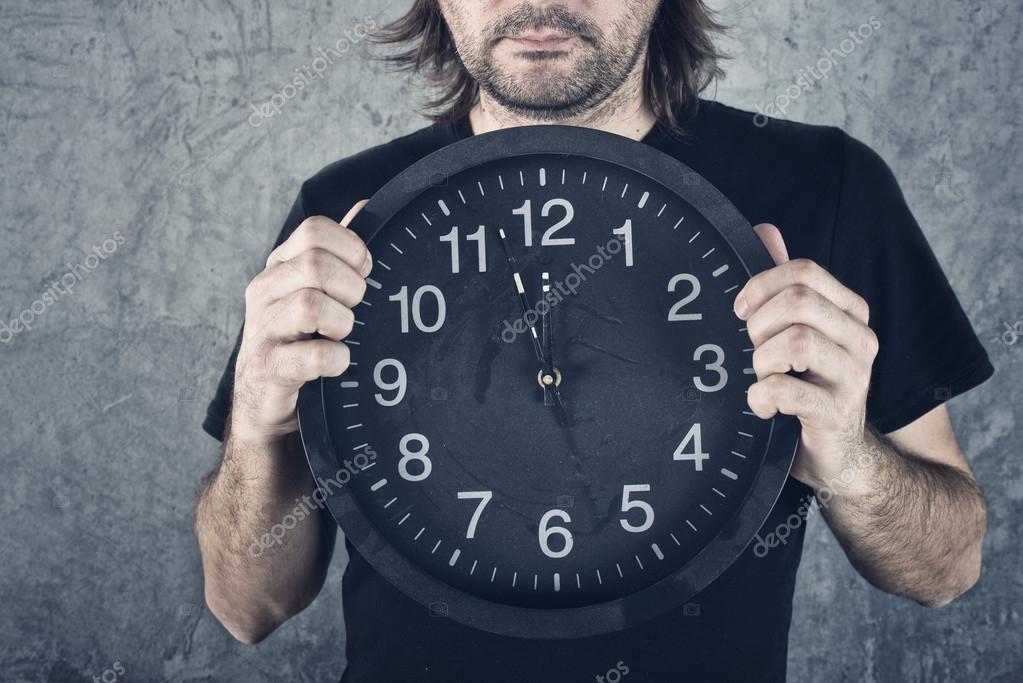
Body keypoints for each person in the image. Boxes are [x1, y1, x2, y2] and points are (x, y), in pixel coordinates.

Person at [194, 1, 994, 681]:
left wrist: (848, 458)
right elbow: (248, 606)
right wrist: (258, 432)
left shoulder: (825, 185)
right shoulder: (346, 216)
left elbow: (946, 568)